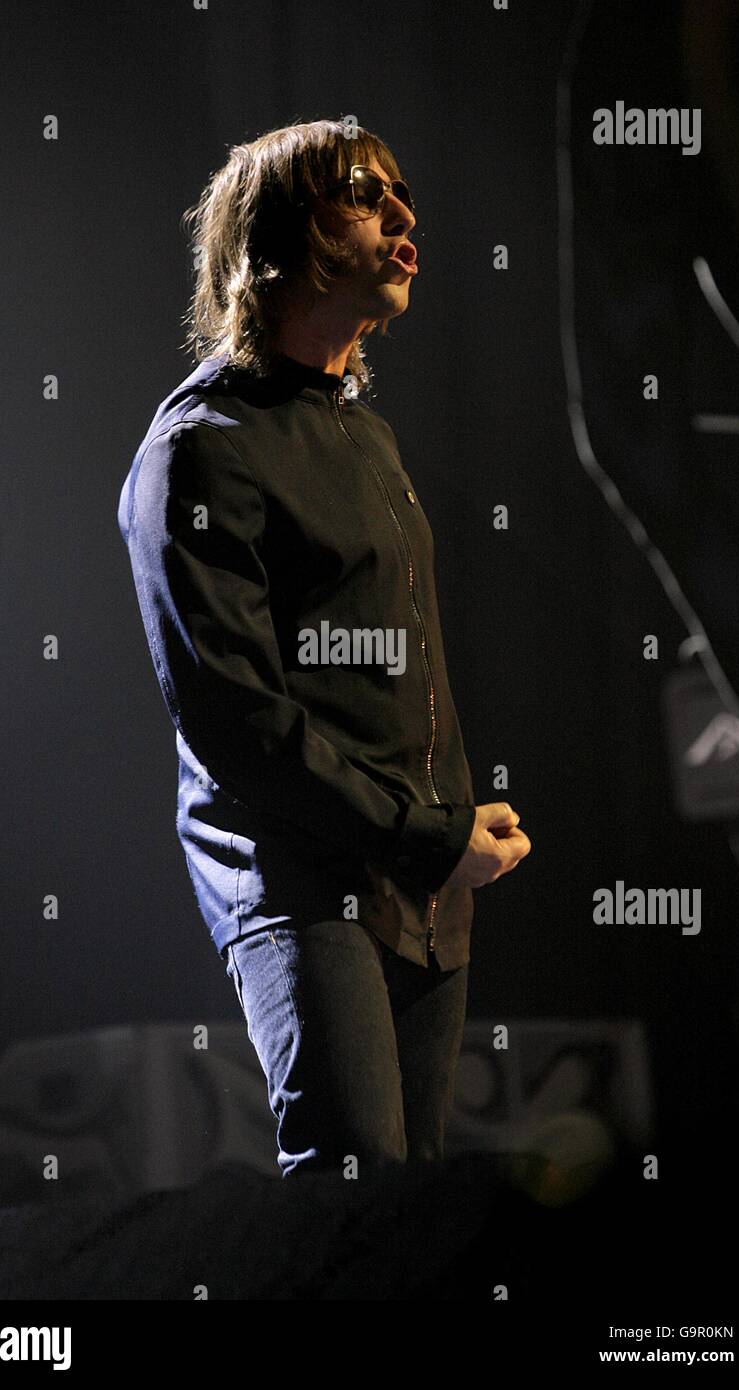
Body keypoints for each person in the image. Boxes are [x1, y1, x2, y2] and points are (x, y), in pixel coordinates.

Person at [117, 118, 531, 1178]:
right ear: (282, 237)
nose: (404, 215)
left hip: (418, 874)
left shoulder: (364, 430)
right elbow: (239, 725)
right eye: (364, 193)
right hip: (300, 877)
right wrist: (430, 834)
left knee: (409, 1226)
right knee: (355, 1199)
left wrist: (445, 822)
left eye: (404, 194)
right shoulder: (199, 451)